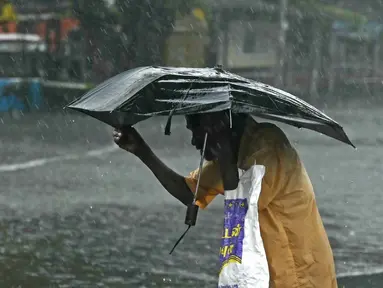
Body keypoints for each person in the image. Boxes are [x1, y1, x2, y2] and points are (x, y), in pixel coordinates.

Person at [113, 111, 338, 288]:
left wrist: (224, 154)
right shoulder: (234, 151)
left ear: (219, 125)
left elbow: (243, 205)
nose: (193, 141)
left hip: (301, 274)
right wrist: (142, 150)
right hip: (266, 273)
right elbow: (189, 191)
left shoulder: (268, 145)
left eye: (197, 131)